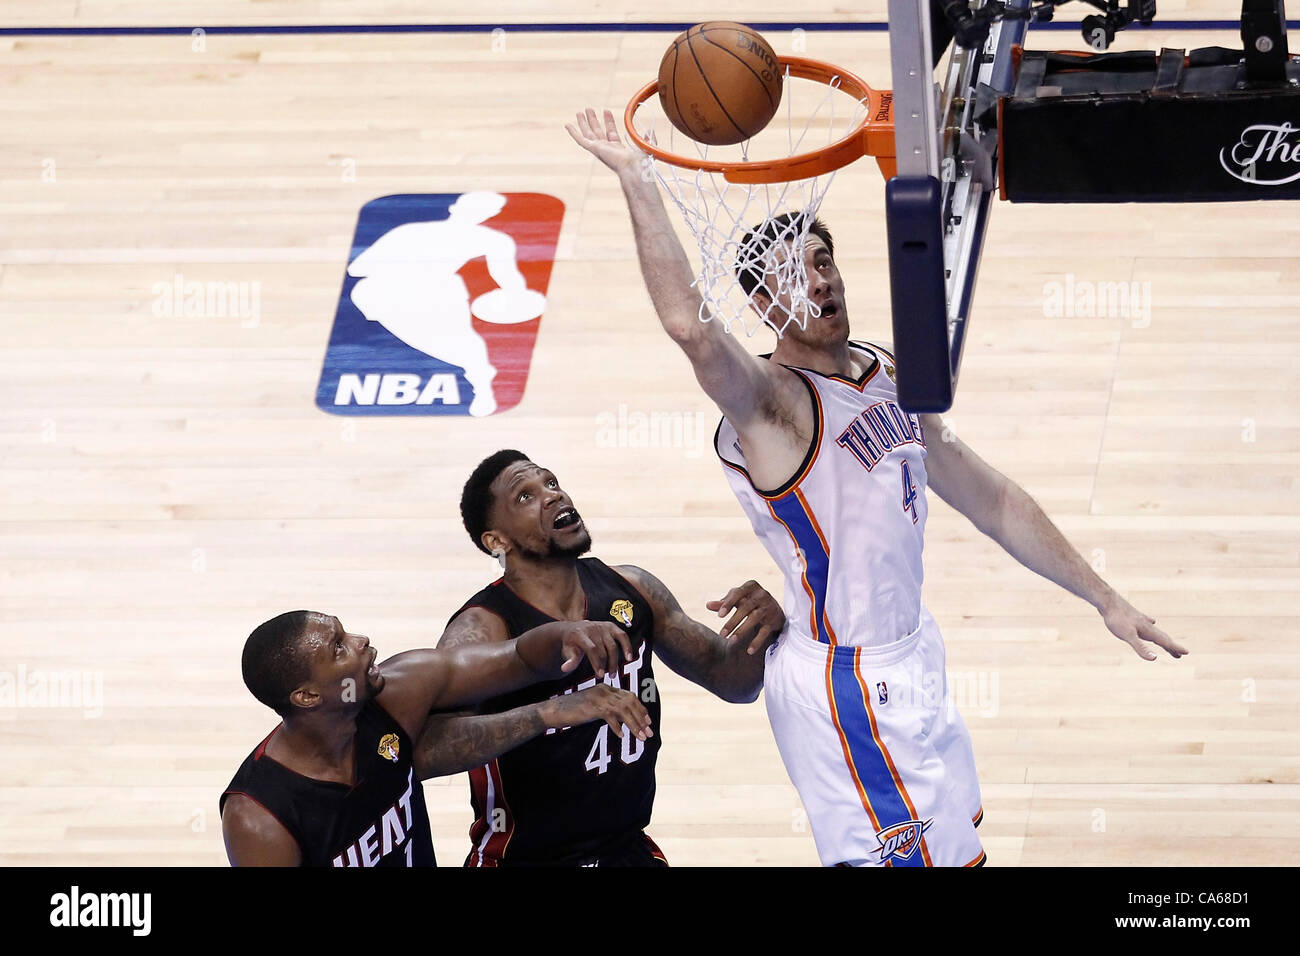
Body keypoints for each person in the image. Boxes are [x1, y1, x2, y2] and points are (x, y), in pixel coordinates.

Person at [566, 108, 1189, 867]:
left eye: (823, 261)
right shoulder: (771, 404)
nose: (818, 280)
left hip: (912, 651)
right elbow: (691, 329)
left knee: (959, 846)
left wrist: (1105, 598)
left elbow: (989, 496)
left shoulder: (885, 368)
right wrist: (636, 178)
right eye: (792, 275)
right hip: (849, 692)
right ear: (763, 308)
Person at [414, 449, 785, 866]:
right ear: (497, 541)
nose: (552, 496)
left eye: (551, 483)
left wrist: (762, 626)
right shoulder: (482, 629)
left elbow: (734, 681)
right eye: (525, 496)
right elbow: (423, 753)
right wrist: (547, 713)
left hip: (624, 851)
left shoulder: (632, 587)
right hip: (522, 858)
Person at [220, 608, 649, 866]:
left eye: (345, 631)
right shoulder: (258, 817)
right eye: (338, 648)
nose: (361, 640)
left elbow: (514, 658)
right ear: (307, 695)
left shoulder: (398, 690)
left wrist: (564, 634)